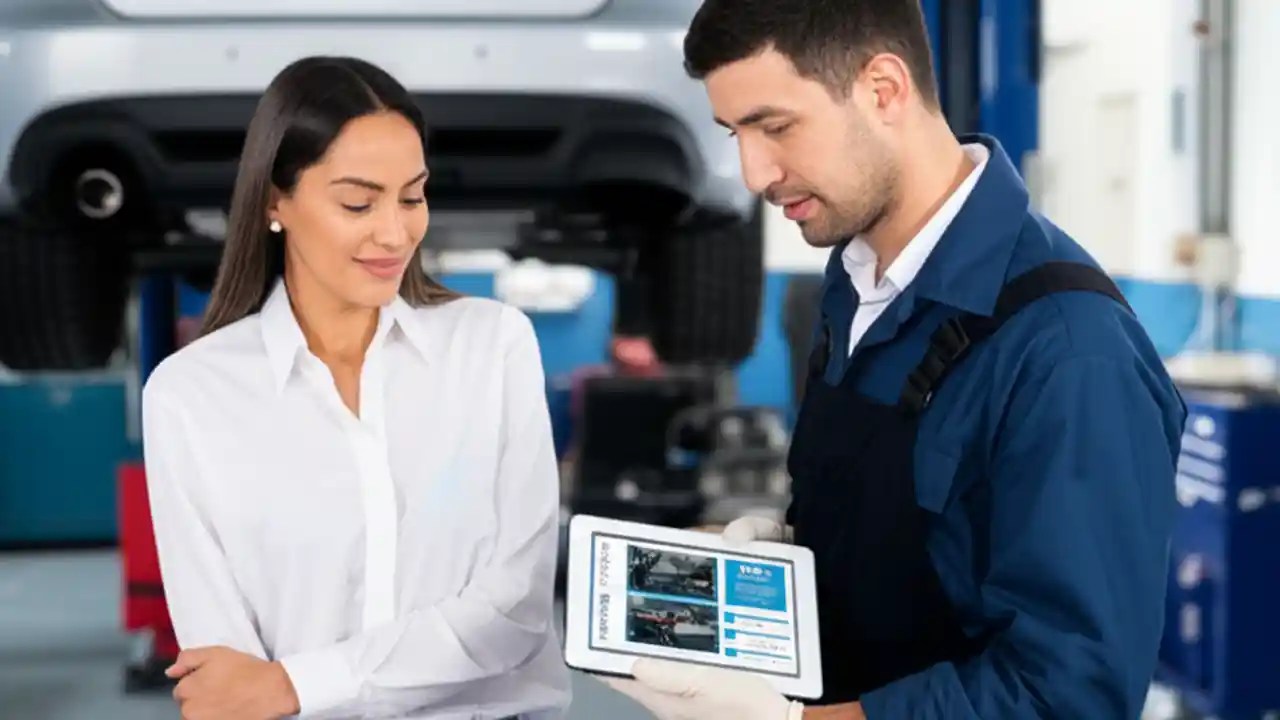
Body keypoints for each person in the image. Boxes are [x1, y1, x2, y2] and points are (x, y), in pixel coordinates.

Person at [604, 1, 1186, 719]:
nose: (754, 173)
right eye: (735, 133)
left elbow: (1066, 697)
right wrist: (787, 561)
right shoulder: (855, 285)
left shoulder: (1069, 352)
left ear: (883, 89)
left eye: (775, 126)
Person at [141, 56, 570, 720]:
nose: (395, 232)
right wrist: (272, 690)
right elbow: (225, 673)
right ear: (274, 201)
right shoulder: (190, 396)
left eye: (412, 196)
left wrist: (293, 685)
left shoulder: (491, 346)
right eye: (357, 203)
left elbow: (514, 609)